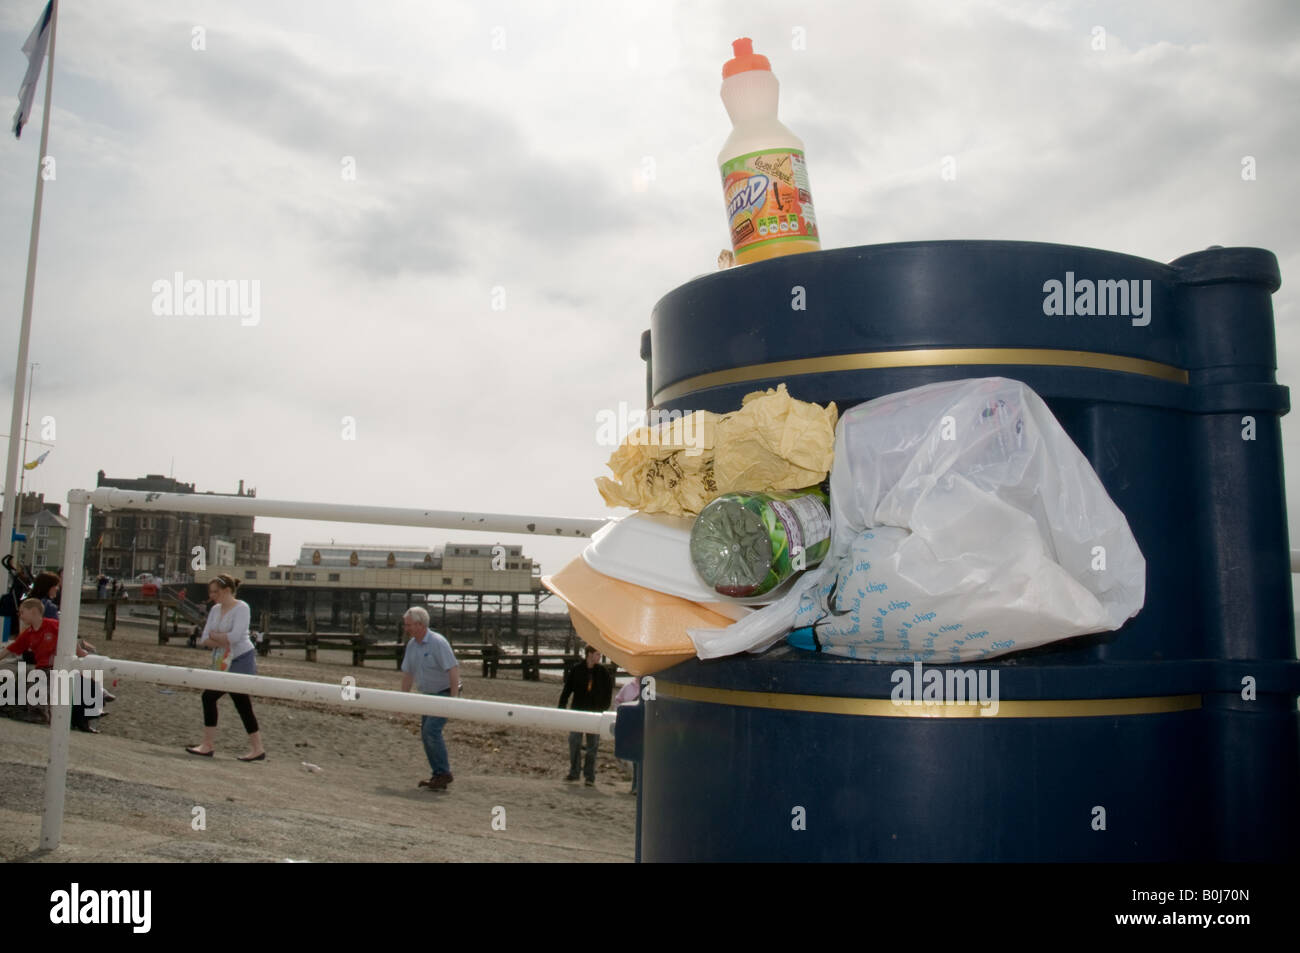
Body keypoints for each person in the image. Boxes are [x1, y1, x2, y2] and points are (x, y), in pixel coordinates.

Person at [186, 574, 265, 761]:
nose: (212, 595)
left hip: (241, 658)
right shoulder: (214, 610)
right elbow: (205, 638)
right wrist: (221, 638)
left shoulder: (242, 608)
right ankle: (254, 748)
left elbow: (236, 637)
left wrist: (217, 636)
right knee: (221, 699)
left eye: (215, 592)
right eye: (211, 592)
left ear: (227, 590)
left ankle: (212, 745)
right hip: (222, 659)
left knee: (237, 701)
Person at [4, 598, 99, 731]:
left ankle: (41, 715)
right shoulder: (29, 633)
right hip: (43, 668)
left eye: (22, 612)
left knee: (41, 681)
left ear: (33, 612)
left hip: (56, 667)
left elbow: (69, 637)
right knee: (38, 681)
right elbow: (12, 648)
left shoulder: (53, 625)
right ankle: (41, 714)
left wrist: (80, 654)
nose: (20, 616)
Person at [399, 606, 460, 792]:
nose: (405, 628)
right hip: (428, 695)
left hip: (445, 692)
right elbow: (408, 674)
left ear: (419, 624)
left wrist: (453, 700)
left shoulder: (437, 642)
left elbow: (453, 669)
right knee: (426, 734)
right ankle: (438, 774)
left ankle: (443, 773)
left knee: (431, 731)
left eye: (408, 625)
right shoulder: (412, 645)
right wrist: (401, 700)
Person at [558, 645, 613, 786]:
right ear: (589, 654)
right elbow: (567, 690)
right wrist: (561, 709)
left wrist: (602, 710)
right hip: (577, 712)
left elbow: (608, 694)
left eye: (599, 654)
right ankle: (574, 772)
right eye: (596, 654)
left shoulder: (603, 673)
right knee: (574, 742)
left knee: (592, 747)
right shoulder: (577, 670)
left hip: (595, 714)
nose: (599, 657)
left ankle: (589, 776)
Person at [613, 676, 641, 795]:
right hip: (632, 727)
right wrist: (618, 717)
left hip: (643, 727)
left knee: (640, 760)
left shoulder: (650, 686)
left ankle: (639, 787)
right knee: (635, 759)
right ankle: (635, 786)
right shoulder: (628, 687)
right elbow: (618, 701)